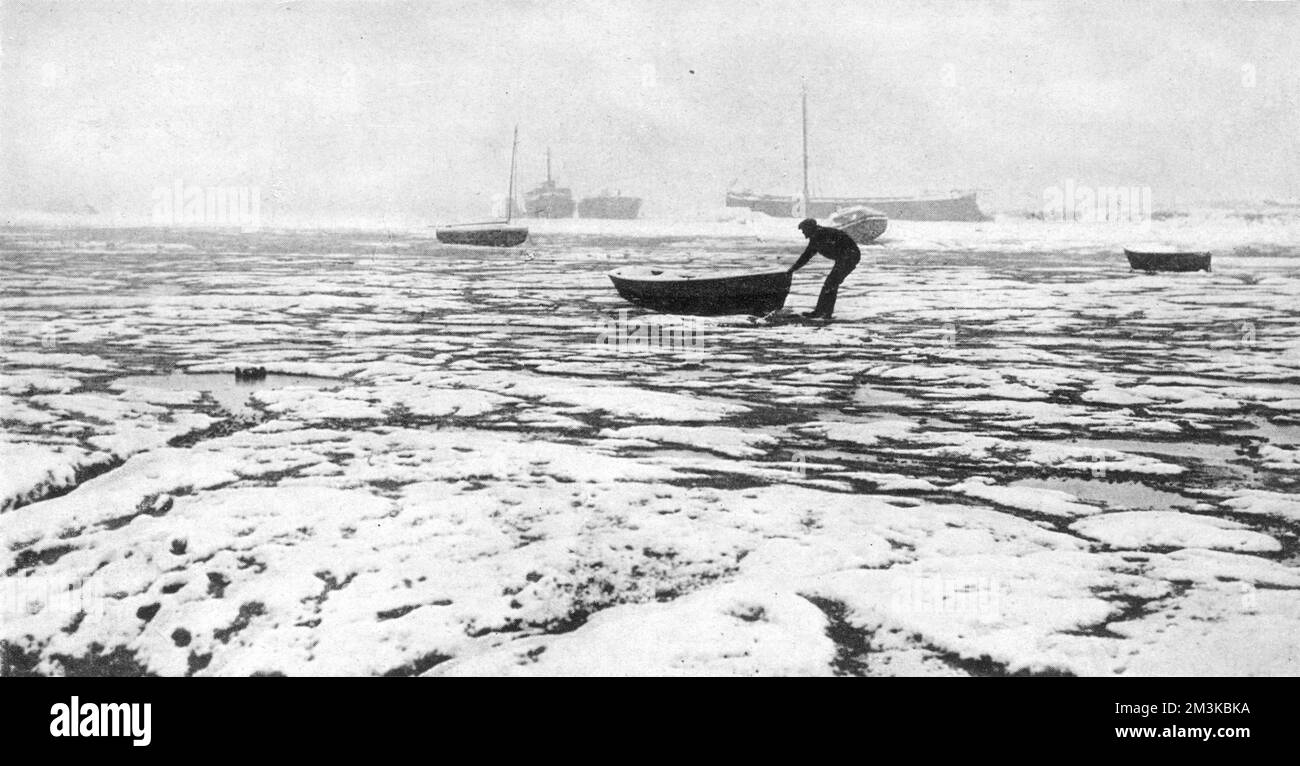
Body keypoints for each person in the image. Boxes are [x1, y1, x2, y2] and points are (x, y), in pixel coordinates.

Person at [787, 218, 860, 319]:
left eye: (804, 230)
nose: (803, 233)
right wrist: (792, 269)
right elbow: (806, 256)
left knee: (831, 284)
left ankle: (825, 313)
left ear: (810, 228)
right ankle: (821, 312)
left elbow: (807, 256)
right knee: (830, 284)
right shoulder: (816, 236)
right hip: (844, 257)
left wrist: (792, 269)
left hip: (850, 256)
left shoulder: (821, 235)